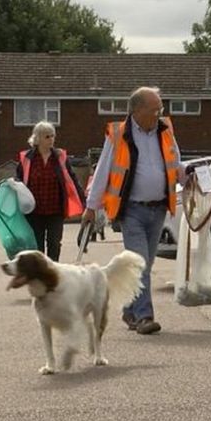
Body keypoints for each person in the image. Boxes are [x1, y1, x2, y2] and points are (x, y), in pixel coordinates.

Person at [83, 87, 186, 335]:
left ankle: (129, 310)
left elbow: (176, 163)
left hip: (158, 208)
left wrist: (191, 177)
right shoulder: (119, 134)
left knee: (144, 266)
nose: (159, 114)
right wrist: (90, 206)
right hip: (132, 211)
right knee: (139, 264)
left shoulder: (164, 131)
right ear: (137, 110)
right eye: (154, 109)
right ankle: (144, 317)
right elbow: (103, 171)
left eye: (160, 109)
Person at [15, 121, 84, 262]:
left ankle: (52, 274)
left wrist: (84, 200)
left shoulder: (60, 157)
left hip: (55, 210)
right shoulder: (27, 158)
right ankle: (39, 276)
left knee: (54, 243)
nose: (51, 139)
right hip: (34, 211)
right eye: (47, 136)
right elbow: (19, 181)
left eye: (53, 136)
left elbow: (72, 179)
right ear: (38, 138)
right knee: (36, 247)